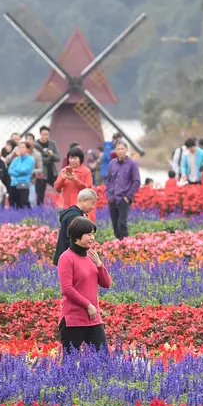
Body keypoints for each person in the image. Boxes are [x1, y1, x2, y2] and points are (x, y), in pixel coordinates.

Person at [57, 215, 111, 353]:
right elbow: (67, 289)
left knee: (103, 358)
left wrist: (99, 264)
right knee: (70, 363)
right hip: (73, 319)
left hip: (93, 318)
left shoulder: (91, 257)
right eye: (88, 234)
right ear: (77, 236)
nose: (92, 238)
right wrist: (88, 305)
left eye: (93, 234)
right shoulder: (66, 258)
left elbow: (106, 284)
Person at [104, 141, 140, 240]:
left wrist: (128, 197)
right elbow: (108, 179)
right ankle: (118, 245)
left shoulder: (132, 164)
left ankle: (125, 245)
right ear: (115, 151)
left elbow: (136, 181)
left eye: (122, 149)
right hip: (112, 198)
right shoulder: (112, 163)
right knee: (115, 225)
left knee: (122, 224)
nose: (120, 151)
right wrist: (108, 193)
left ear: (126, 150)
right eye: (118, 149)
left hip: (123, 199)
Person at [54, 188, 98, 265]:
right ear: (84, 200)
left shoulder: (74, 214)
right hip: (69, 260)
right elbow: (72, 239)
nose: (93, 207)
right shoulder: (74, 216)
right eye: (92, 203)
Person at [54, 146, 93, 215]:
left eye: (75, 158)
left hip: (80, 205)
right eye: (70, 158)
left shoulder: (86, 171)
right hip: (64, 205)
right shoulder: (64, 170)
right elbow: (56, 188)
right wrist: (62, 179)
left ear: (80, 159)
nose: (72, 160)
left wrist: (75, 180)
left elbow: (88, 189)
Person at [35, 126, 60, 207]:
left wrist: (52, 155)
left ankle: (63, 206)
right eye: (44, 134)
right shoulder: (35, 145)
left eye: (47, 134)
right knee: (40, 195)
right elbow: (40, 160)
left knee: (60, 189)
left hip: (52, 172)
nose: (45, 136)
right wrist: (50, 157)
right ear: (40, 134)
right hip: (41, 174)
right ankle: (39, 212)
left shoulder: (52, 143)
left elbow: (58, 157)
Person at [7, 141, 36, 209]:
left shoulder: (30, 159)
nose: (21, 149)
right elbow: (9, 170)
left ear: (27, 149)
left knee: (23, 203)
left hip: (23, 183)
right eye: (20, 147)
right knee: (13, 203)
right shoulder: (16, 159)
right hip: (14, 183)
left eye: (23, 147)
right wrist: (17, 172)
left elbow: (26, 170)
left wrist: (16, 171)